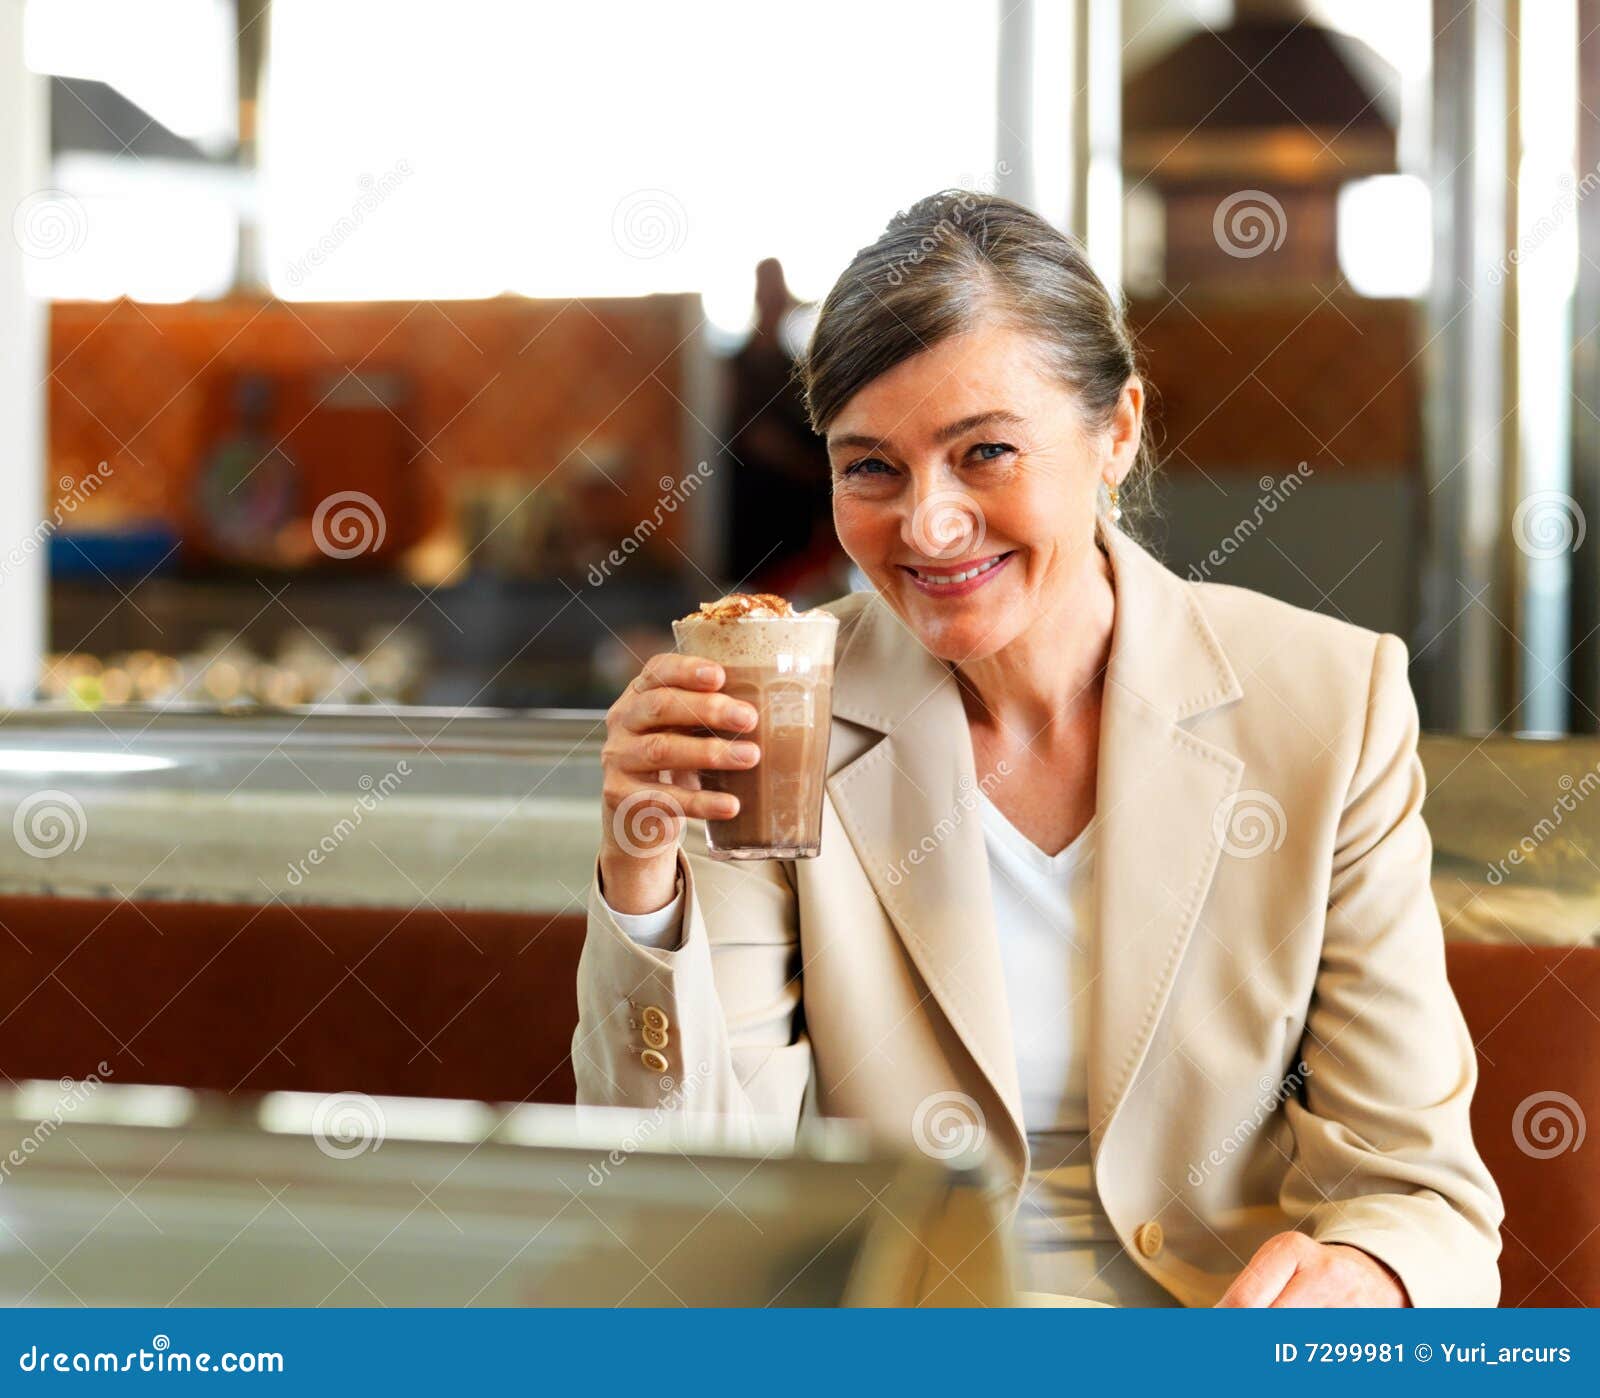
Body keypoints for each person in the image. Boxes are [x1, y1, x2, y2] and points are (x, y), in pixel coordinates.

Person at [573, 192, 1502, 1307]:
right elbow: (695, 1200)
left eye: (986, 453)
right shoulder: (776, 708)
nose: (929, 524)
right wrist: (641, 880)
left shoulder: (1325, 701)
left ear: (1116, 433)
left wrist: (1364, 1277)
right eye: (871, 467)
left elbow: (1419, 1191)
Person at [723, 258, 838, 593]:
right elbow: (754, 438)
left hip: (796, 513)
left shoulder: (799, 369)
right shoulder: (736, 367)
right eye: (767, 291)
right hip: (753, 506)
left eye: (778, 292)